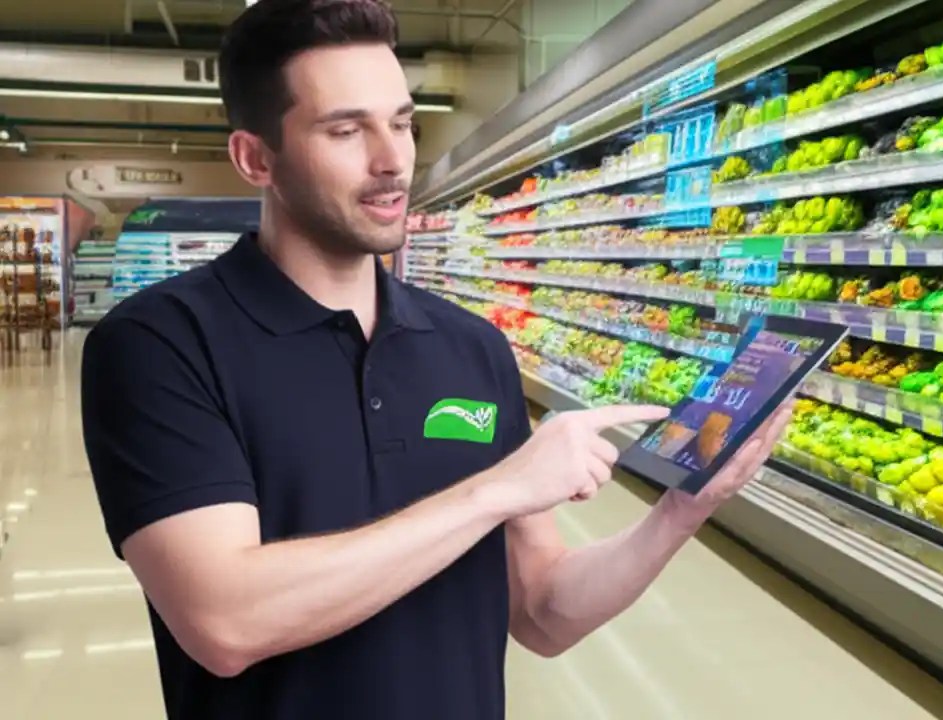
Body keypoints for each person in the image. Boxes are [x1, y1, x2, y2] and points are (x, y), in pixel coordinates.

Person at [79, 1, 793, 718]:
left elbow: (542, 612)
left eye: (400, 122)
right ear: (255, 158)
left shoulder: (470, 347)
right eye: (346, 129)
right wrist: (496, 490)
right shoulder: (159, 344)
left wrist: (680, 513)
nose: (392, 160)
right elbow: (226, 620)